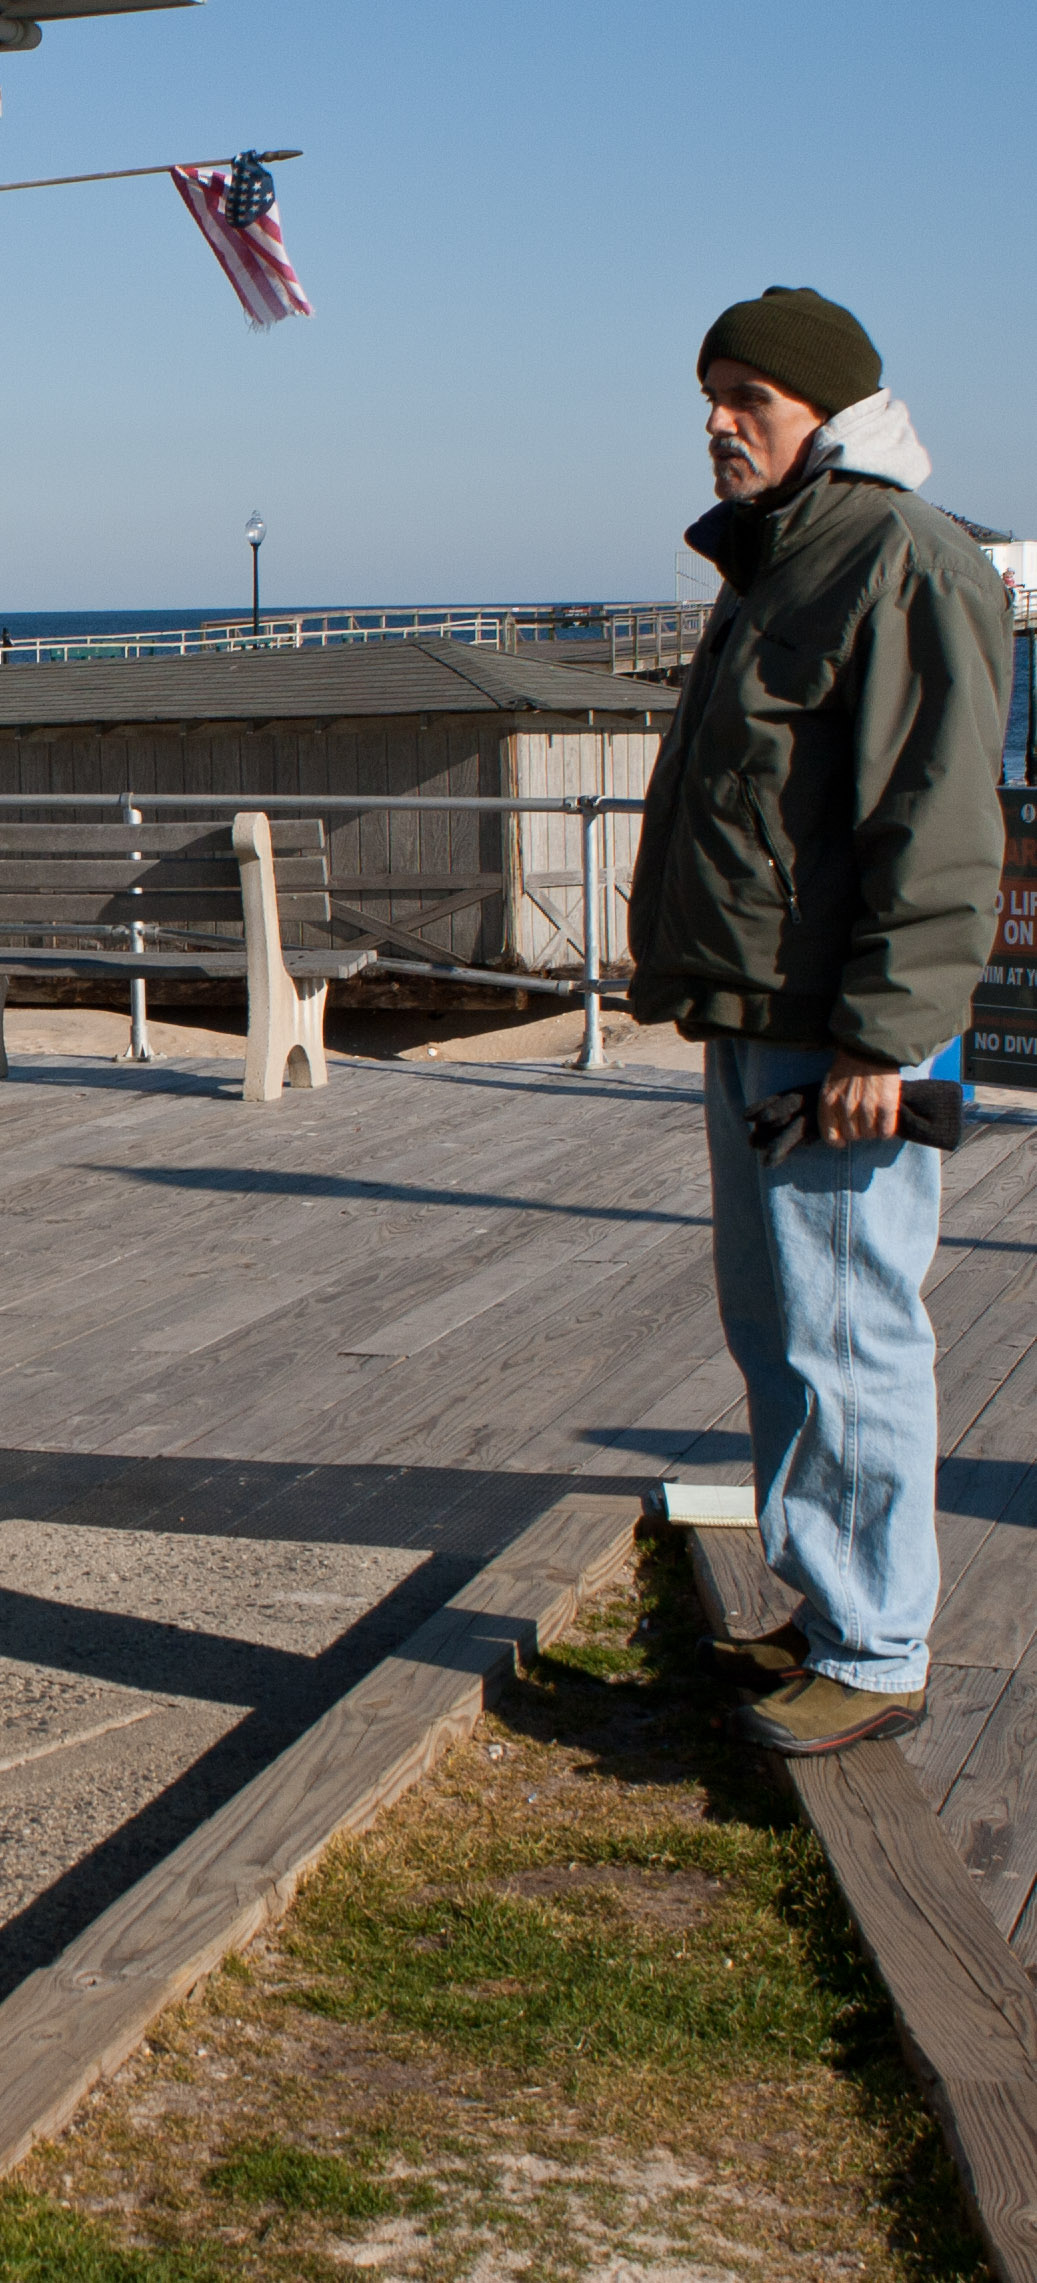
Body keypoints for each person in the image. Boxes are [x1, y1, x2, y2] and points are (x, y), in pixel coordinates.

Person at [626, 287, 1016, 1755]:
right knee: (781, 1321)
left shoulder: (900, 556)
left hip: (839, 1034)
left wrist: (882, 1038)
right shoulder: (787, 557)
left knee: (850, 1324)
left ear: (829, 414)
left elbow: (936, 822)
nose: (720, 421)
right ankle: (831, 1598)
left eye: (752, 398)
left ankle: (876, 1644)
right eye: (711, 395)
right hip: (763, 1013)